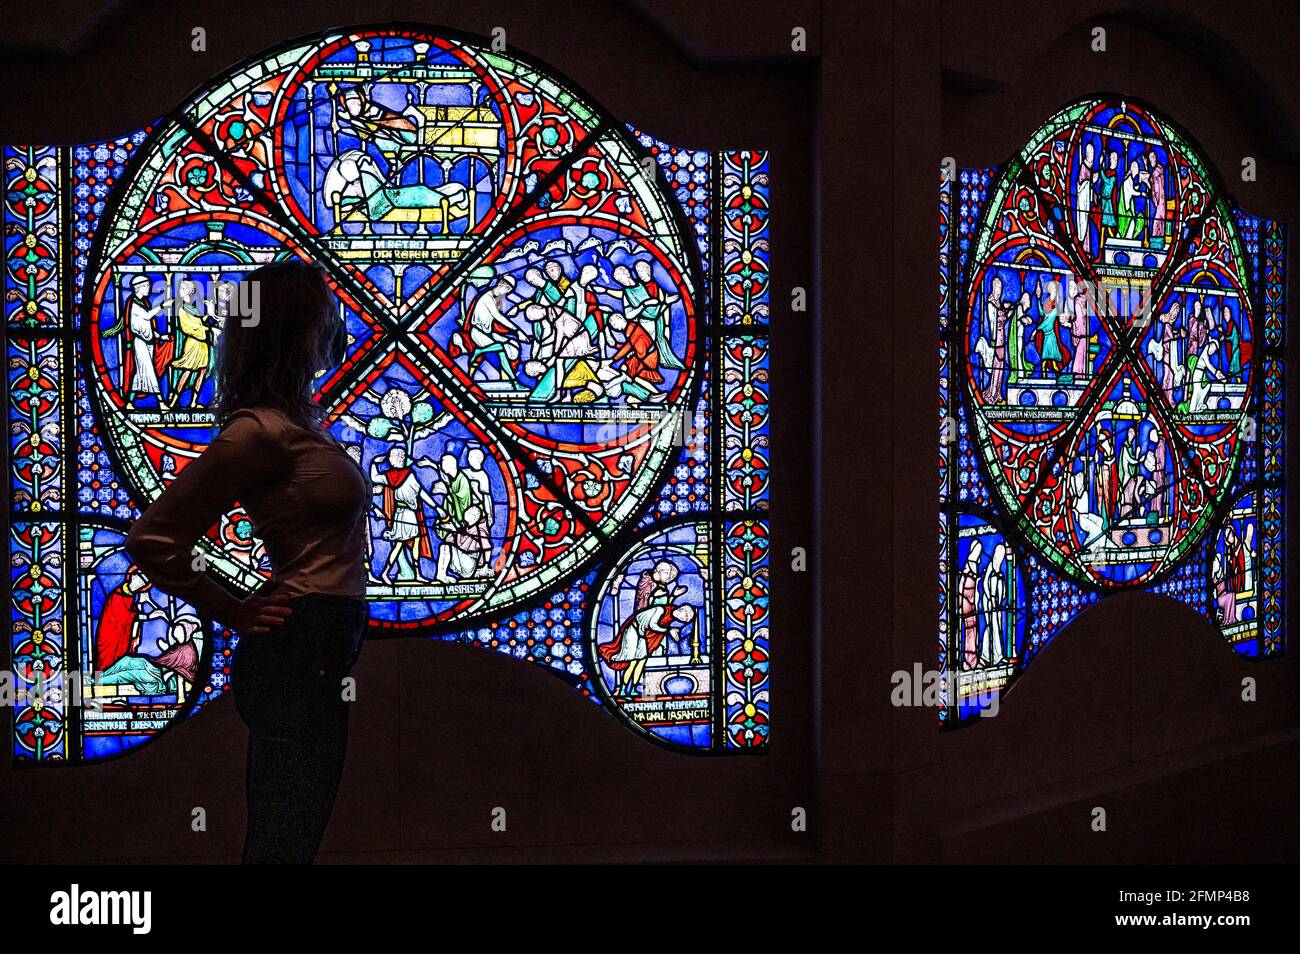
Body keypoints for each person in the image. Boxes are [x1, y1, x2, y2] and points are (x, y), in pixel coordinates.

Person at [125, 261, 369, 864]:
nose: (335, 325)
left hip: (321, 646)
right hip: (298, 647)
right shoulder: (258, 432)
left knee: (294, 832)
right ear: (294, 328)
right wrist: (232, 610)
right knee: (284, 836)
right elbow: (154, 538)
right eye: (325, 312)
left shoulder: (293, 425)